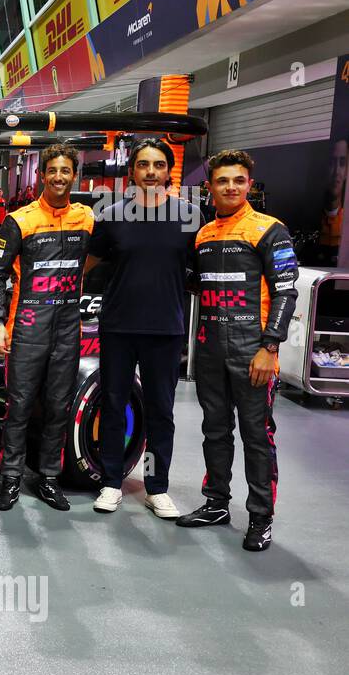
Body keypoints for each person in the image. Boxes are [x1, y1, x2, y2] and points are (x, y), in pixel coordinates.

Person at [177, 150, 298, 552]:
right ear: (209, 187)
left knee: (257, 436)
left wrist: (269, 347)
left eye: (238, 180)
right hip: (210, 346)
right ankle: (216, 504)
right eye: (222, 181)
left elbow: (285, 291)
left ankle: (261, 517)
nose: (230, 187)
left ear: (249, 185)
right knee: (215, 429)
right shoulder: (204, 233)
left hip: (253, 350)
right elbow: (198, 282)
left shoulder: (269, 230)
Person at [85, 138, 201, 518]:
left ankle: (156, 487)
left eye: (158, 165)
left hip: (165, 329)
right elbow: (89, 264)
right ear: (131, 171)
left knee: (160, 411)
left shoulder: (189, 216)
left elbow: (199, 272)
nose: (151, 172)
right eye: (143, 165)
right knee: (115, 406)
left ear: (169, 171)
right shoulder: (112, 215)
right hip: (118, 326)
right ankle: (111, 482)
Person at [0, 144, 95, 511]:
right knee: (18, 406)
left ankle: (50, 478)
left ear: (73, 175)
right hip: (27, 326)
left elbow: (100, 260)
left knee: (58, 406)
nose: (59, 177)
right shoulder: (20, 220)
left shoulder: (86, 219)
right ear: (41, 175)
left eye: (66, 171)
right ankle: (11, 479)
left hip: (67, 327)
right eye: (53, 171)